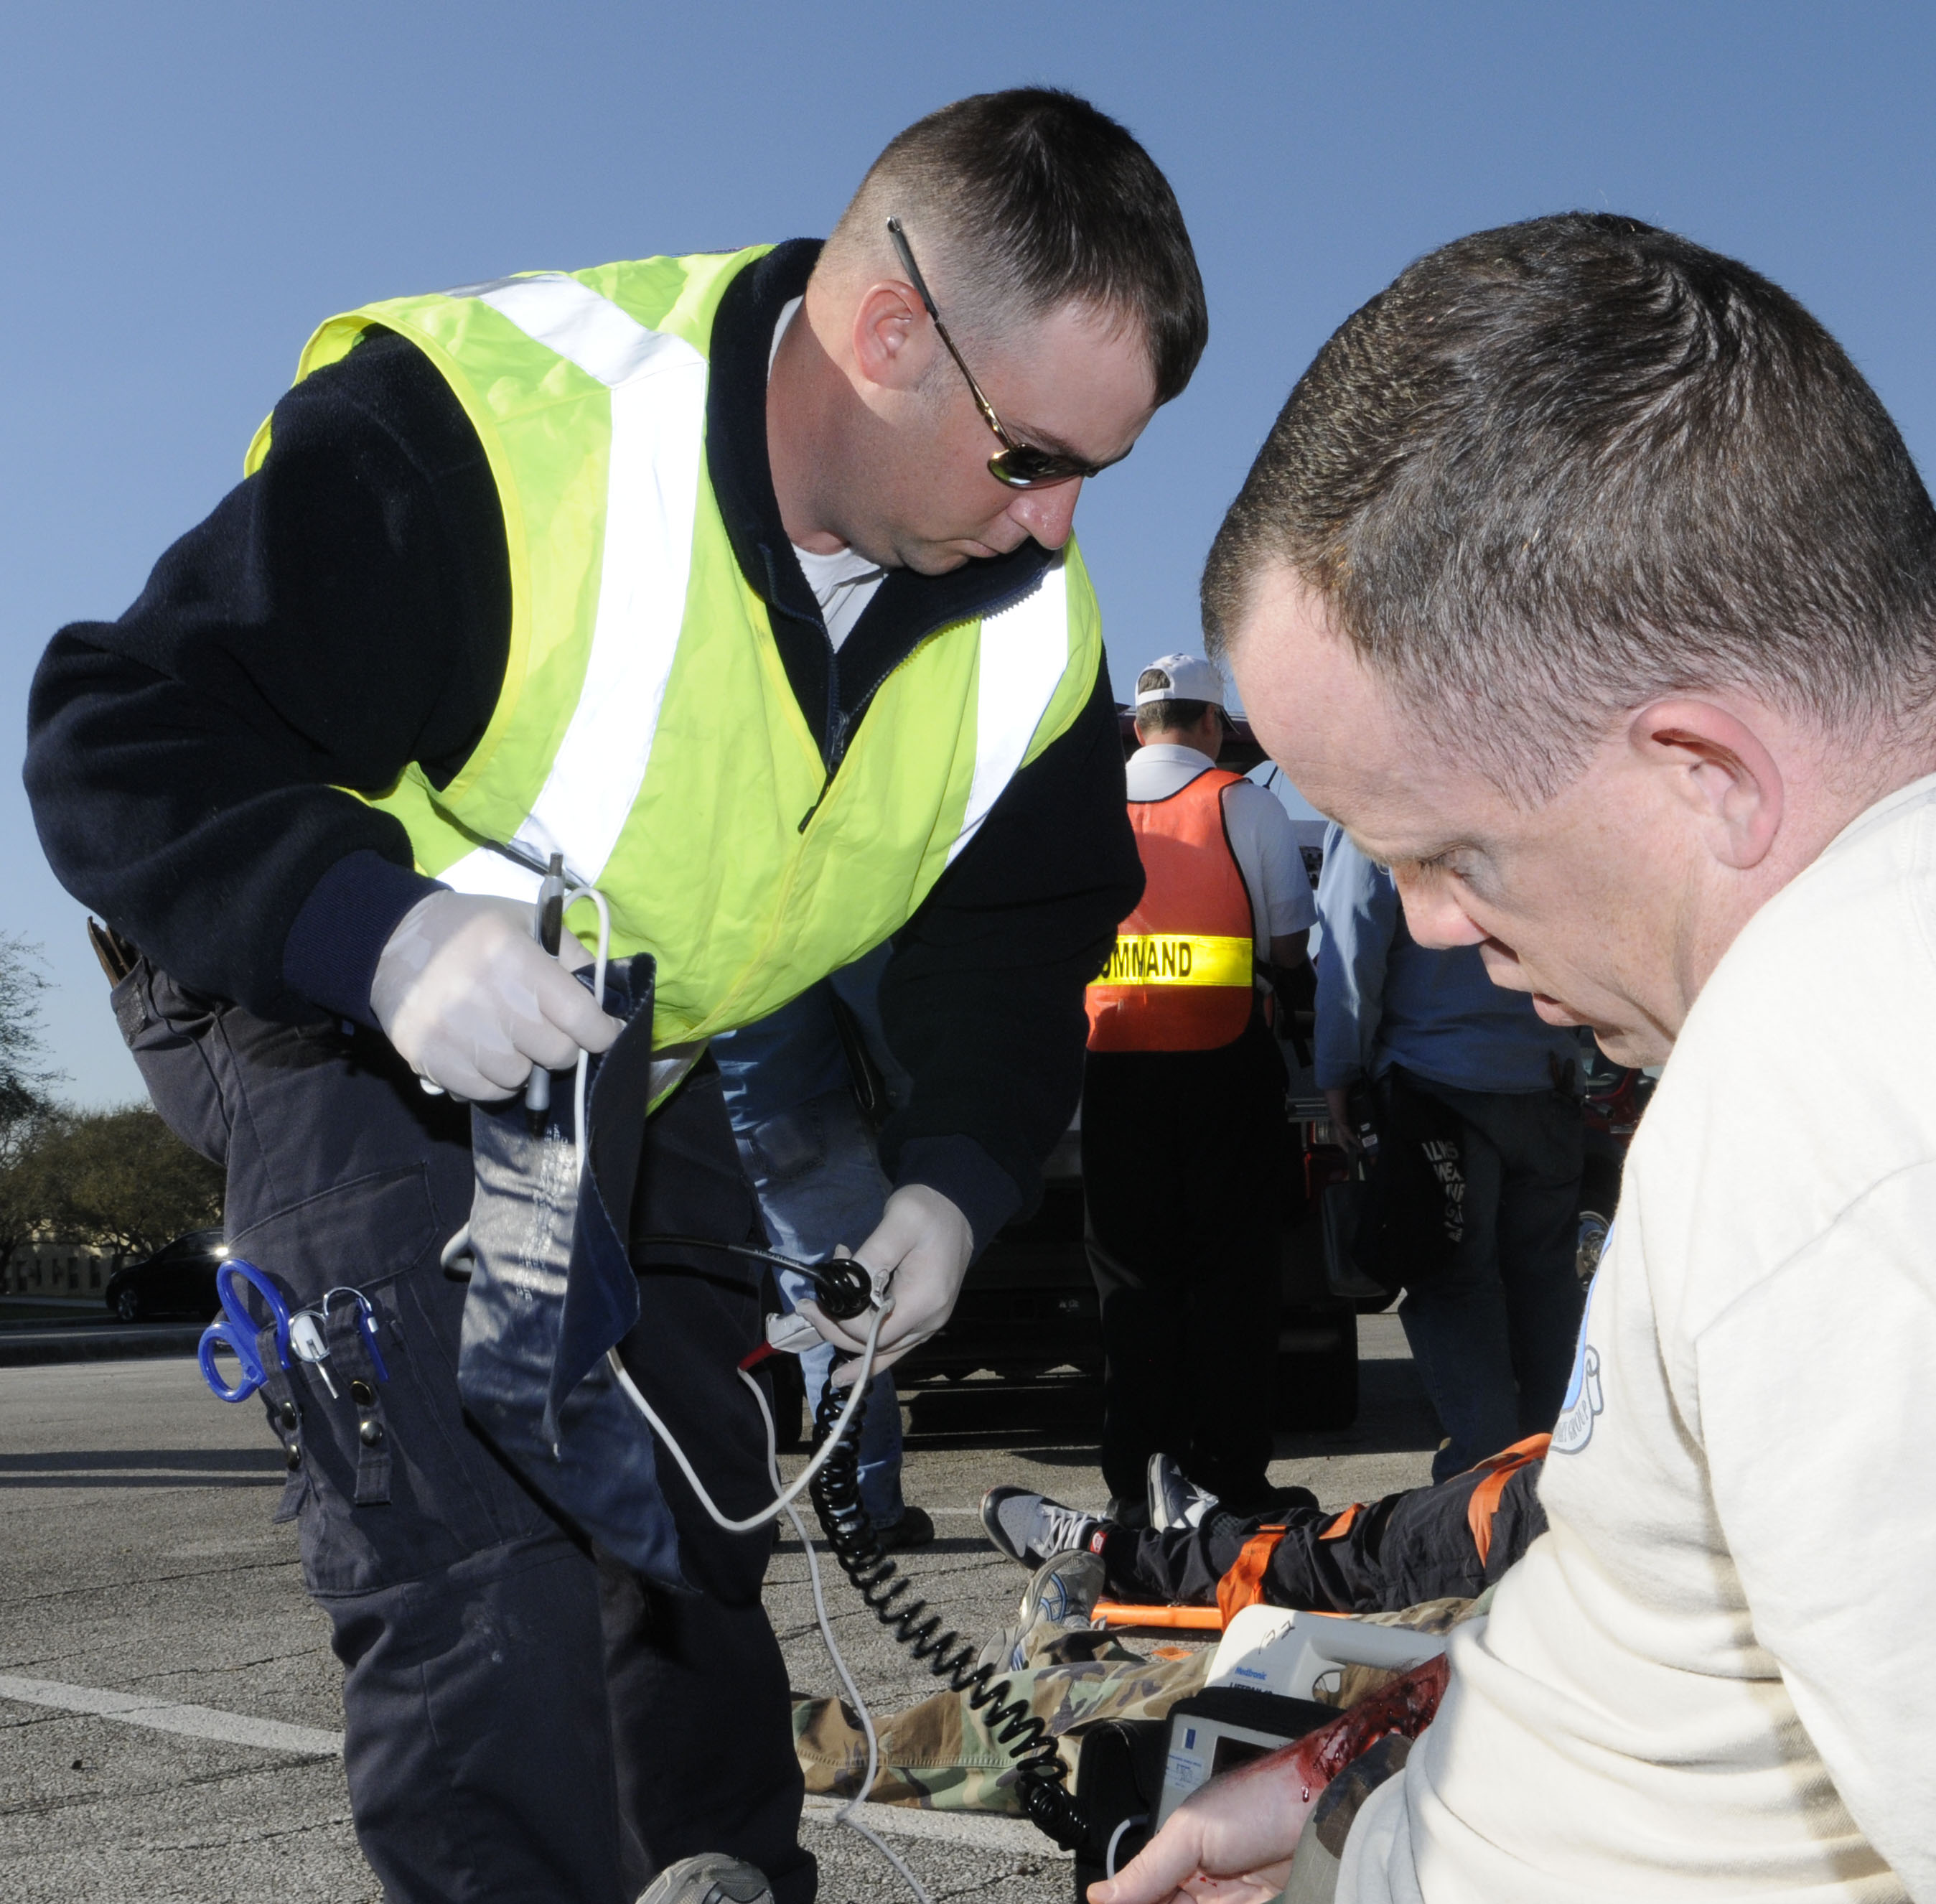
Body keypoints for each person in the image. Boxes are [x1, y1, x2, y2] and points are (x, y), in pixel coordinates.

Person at [24, 89, 1207, 1904]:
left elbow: (1020, 918)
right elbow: (121, 734)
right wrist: (388, 937)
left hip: (620, 1056)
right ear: (887, 335)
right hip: (321, 997)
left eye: (1087, 478)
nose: (1053, 528)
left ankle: (720, 1870)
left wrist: (951, 1186)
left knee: (685, 1493)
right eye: (1028, 454)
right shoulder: (500, 434)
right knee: (470, 1500)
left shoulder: (1028, 621)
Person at [1098, 212, 1936, 1904]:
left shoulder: (1840, 1077)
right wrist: (1346, 1810)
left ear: (1705, 767)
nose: (1433, 923)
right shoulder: (1809, 1029)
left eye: (1452, 852)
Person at [1081, 654, 1314, 1525]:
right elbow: (1288, 945)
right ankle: (1231, 1479)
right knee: (1230, 1277)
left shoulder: (1090, 805)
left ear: (1139, 726)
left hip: (1112, 1067)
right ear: (1212, 724)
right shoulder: (1243, 802)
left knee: (1130, 1281)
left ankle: (1135, 1478)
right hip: (1222, 1069)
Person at [1315, 827, 1585, 1479]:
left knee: (1453, 1282)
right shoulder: (1536, 799)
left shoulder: (1380, 816)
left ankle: (1483, 1484)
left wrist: (1338, 1070)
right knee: (1546, 1281)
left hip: (1435, 1088)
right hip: (1543, 1079)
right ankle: (1565, 1479)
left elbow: (1351, 949)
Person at [713, 946, 932, 1549]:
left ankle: (727, 1509)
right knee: (841, 1315)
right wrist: (913, 1094)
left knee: (700, 1318)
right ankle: (864, 1507)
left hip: (690, 1122)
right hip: (797, 1109)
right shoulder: (788, 872)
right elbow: (867, 984)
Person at [981, 1436, 1548, 1623]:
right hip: (1531, 1502)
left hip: (1514, 1535)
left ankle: (1115, 1555)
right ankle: (1216, 1530)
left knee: (1333, 1557)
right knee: (1347, 1534)